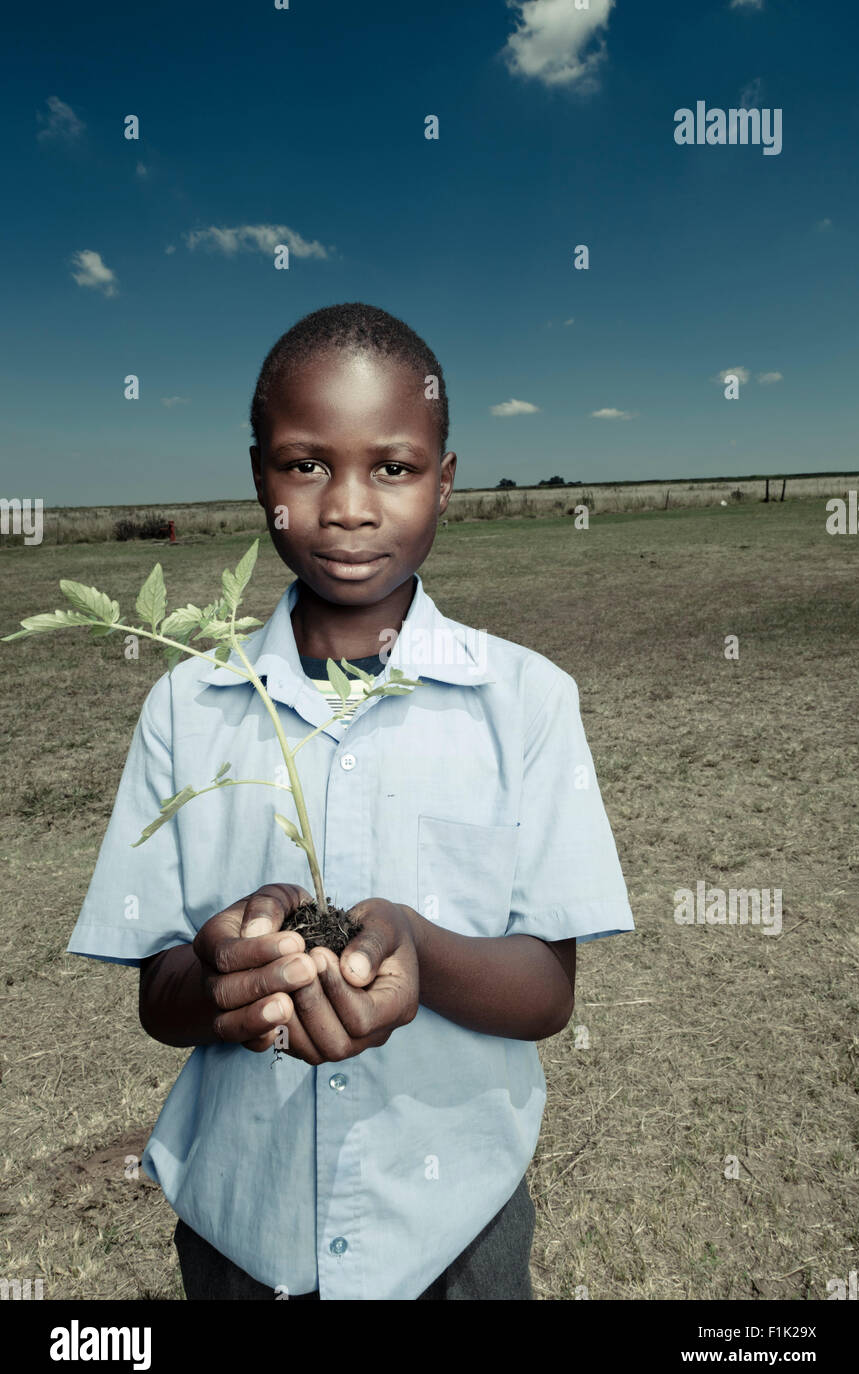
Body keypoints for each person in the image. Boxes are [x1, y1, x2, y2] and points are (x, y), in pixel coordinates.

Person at [67, 302, 635, 1300]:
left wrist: (419, 944)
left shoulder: (525, 701)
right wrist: (226, 982)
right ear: (258, 477)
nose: (348, 507)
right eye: (304, 464)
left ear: (444, 482)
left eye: (393, 467)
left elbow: (547, 989)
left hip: (454, 1233)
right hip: (246, 1234)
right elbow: (161, 998)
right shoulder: (186, 703)